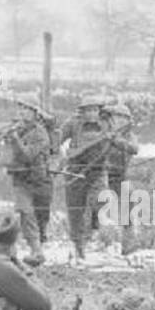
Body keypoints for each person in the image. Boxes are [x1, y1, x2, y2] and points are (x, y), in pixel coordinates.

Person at [0, 101, 56, 266]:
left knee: (40, 218)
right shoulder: (18, 128)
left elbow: (28, 156)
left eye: (27, 109)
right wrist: (6, 136)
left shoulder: (40, 134)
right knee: (26, 213)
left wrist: (15, 139)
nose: (23, 112)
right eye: (21, 109)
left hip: (39, 181)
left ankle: (38, 248)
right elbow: (7, 154)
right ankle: (36, 252)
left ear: (35, 114)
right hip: (21, 180)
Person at [59, 99, 110, 261]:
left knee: (99, 200)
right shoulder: (72, 124)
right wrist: (61, 157)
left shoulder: (106, 124)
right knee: (75, 211)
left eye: (94, 110)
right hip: (75, 171)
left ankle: (93, 227)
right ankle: (78, 246)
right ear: (82, 112)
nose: (91, 114)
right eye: (88, 110)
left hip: (97, 171)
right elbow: (56, 141)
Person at [94, 102, 139, 254]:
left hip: (120, 176)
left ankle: (129, 244)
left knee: (129, 206)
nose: (119, 120)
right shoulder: (103, 132)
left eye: (122, 117)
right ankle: (103, 242)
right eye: (116, 117)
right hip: (103, 176)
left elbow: (134, 148)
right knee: (103, 209)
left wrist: (116, 140)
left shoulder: (129, 136)